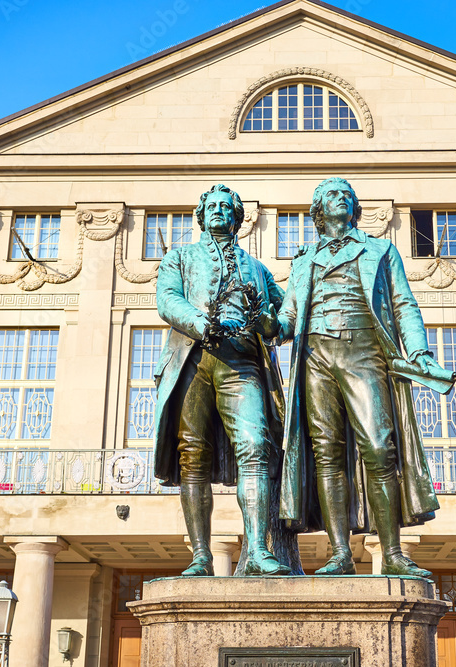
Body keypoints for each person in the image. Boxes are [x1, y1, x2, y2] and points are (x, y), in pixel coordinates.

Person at [276, 177, 442, 577]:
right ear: (317, 210)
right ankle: (339, 553)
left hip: (364, 350)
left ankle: (394, 553)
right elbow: (288, 316)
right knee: (326, 454)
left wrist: (417, 351)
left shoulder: (381, 250)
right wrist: (266, 322)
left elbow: (404, 305)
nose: (343, 198)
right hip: (315, 355)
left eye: (348, 194)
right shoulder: (303, 259)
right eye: (332, 193)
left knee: (379, 447)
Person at [153, 184, 289, 576]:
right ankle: (200, 555)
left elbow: (284, 321)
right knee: (193, 456)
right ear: (201, 216)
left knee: (254, 446)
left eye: (225, 207)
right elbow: (168, 300)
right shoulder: (179, 258)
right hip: (193, 359)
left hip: (242, 363)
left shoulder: (258, 270)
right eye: (211, 206)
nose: (217, 211)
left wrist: (268, 322)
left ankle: (260, 551)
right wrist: (204, 324)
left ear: (237, 217)